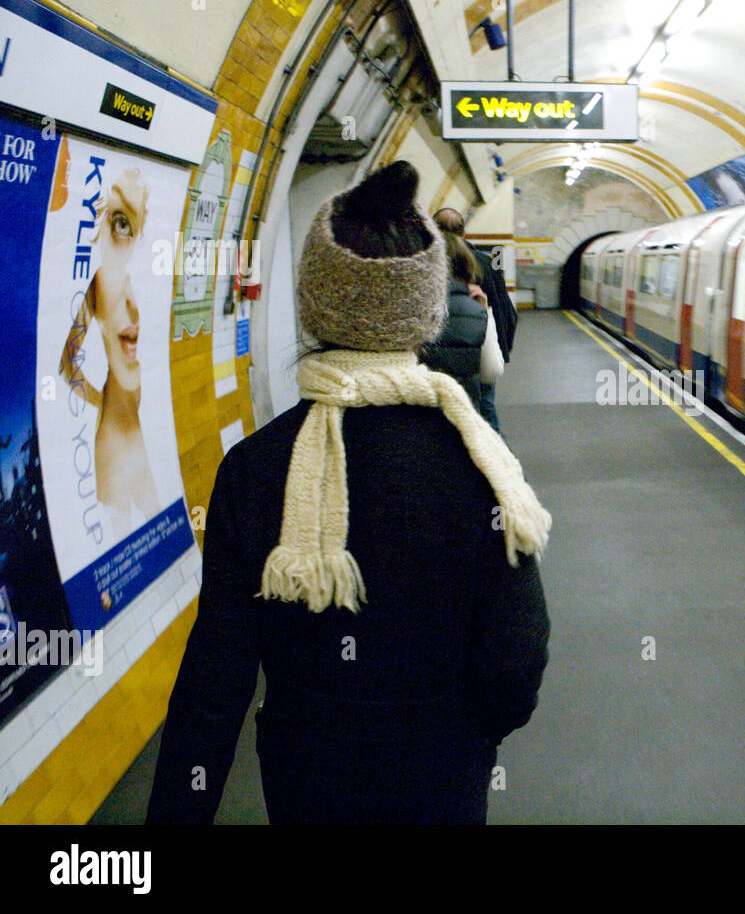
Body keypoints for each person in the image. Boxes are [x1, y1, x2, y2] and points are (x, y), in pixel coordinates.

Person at [146, 160, 551, 824]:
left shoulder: (255, 467)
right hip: (442, 774)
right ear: (423, 312)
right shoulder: (481, 464)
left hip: (307, 769)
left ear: (314, 303)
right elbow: (517, 654)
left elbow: (216, 678)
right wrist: (468, 735)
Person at [59, 168, 160, 540]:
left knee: (152, 529)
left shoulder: (129, 281)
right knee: (123, 536)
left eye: (133, 224)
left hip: (135, 433)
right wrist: (102, 402)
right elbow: (68, 363)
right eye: (119, 221)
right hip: (115, 441)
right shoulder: (103, 279)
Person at [433, 207, 516, 433]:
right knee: (485, 412)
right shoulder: (486, 264)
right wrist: (500, 350)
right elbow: (507, 312)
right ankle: (496, 463)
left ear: (432, 231)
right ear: (465, 232)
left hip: (434, 360)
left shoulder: (424, 266)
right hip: (479, 355)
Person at [420, 230, 503, 415]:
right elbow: (491, 372)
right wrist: (485, 311)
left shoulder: (410, 307)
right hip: (461, 415)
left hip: (417, 413)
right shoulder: (476, 311)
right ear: (466, 266)